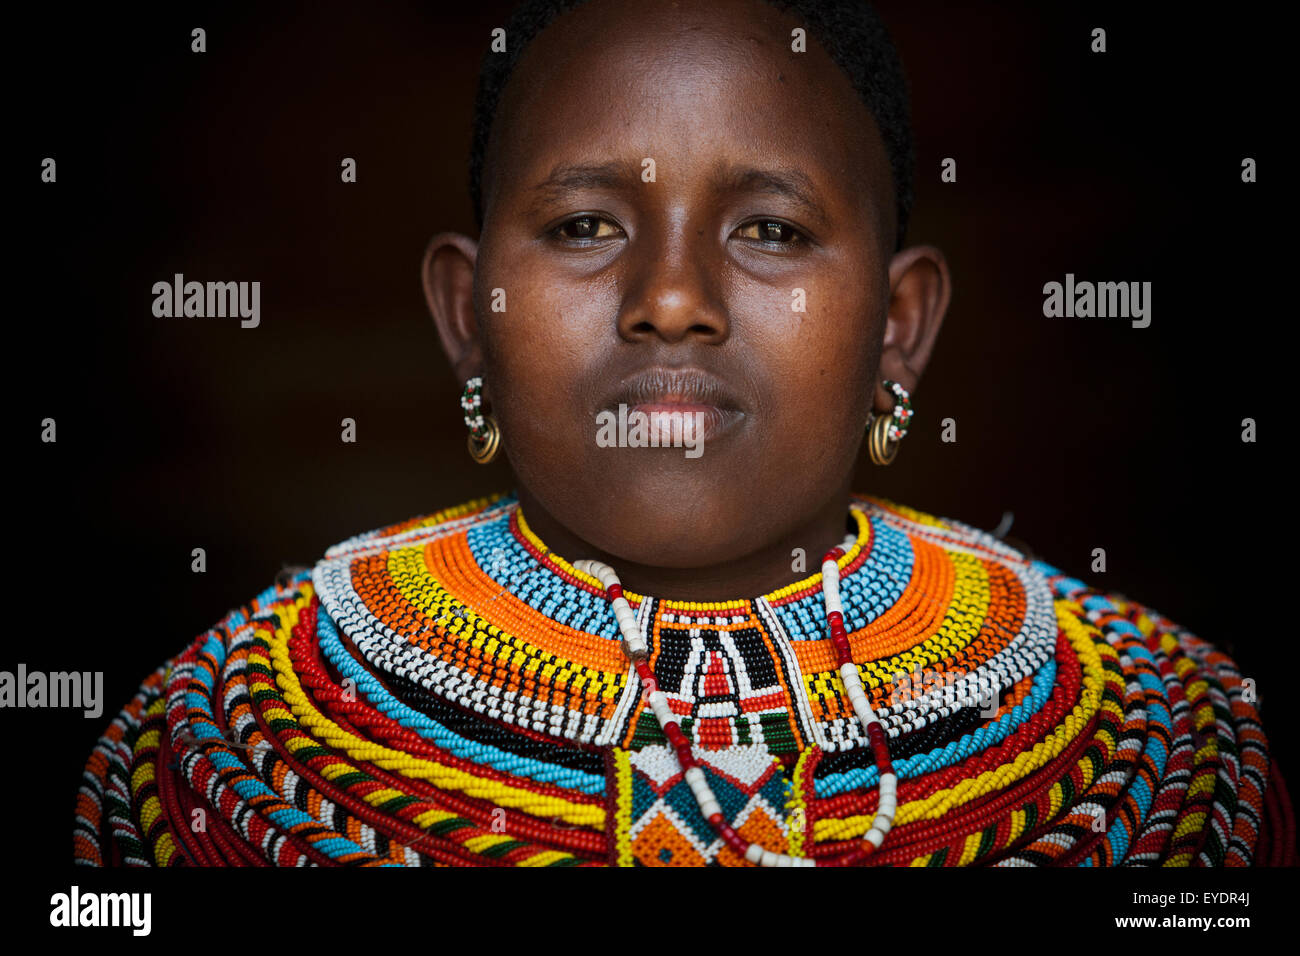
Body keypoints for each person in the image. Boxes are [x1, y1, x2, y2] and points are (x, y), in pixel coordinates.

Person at [74, 0, 1294, 867]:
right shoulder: (214, 739)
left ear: (898, 325)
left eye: (768, 229)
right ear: (465, 313)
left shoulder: (1170, 744)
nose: (670, 296)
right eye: (583, 225)